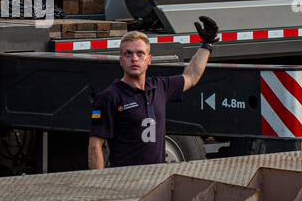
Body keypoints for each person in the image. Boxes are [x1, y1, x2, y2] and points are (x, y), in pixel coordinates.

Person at [87, 17, 219, 169]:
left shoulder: (160, 87)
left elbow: (192, 76)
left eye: (140, 53)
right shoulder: (110, 97)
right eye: (128, 54)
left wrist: (207, 45)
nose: (134, 59)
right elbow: (95, 146)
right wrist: (99, 184)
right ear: (121, 60)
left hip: (156, 177)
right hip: (124, 180)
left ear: (149, 59)